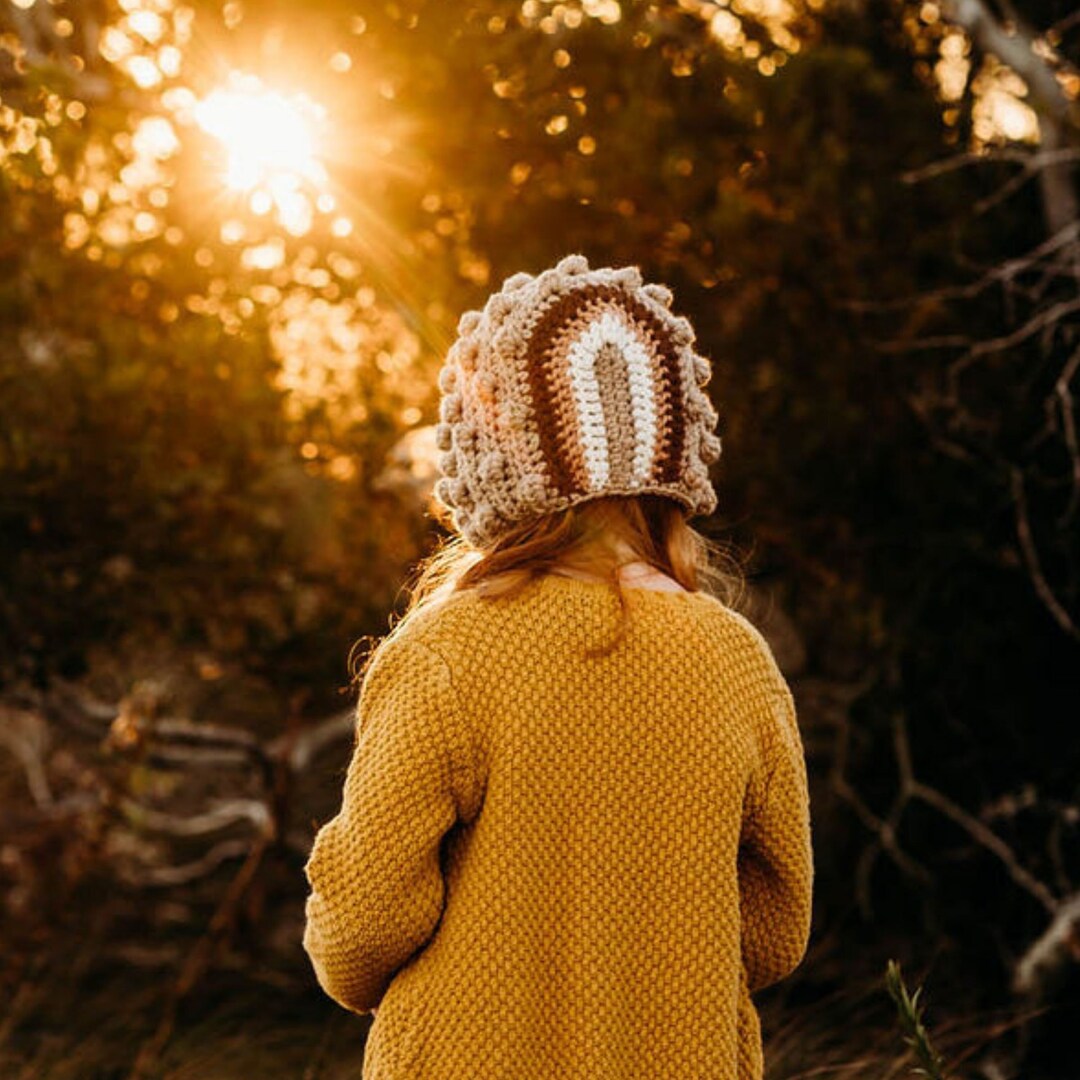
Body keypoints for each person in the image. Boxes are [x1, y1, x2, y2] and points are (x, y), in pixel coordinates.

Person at [301, 253, 814, 1079]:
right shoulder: (736, 662)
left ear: (487, 461)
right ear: (676, 455)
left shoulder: (446, 653)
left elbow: (359, 932)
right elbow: (774, 930)